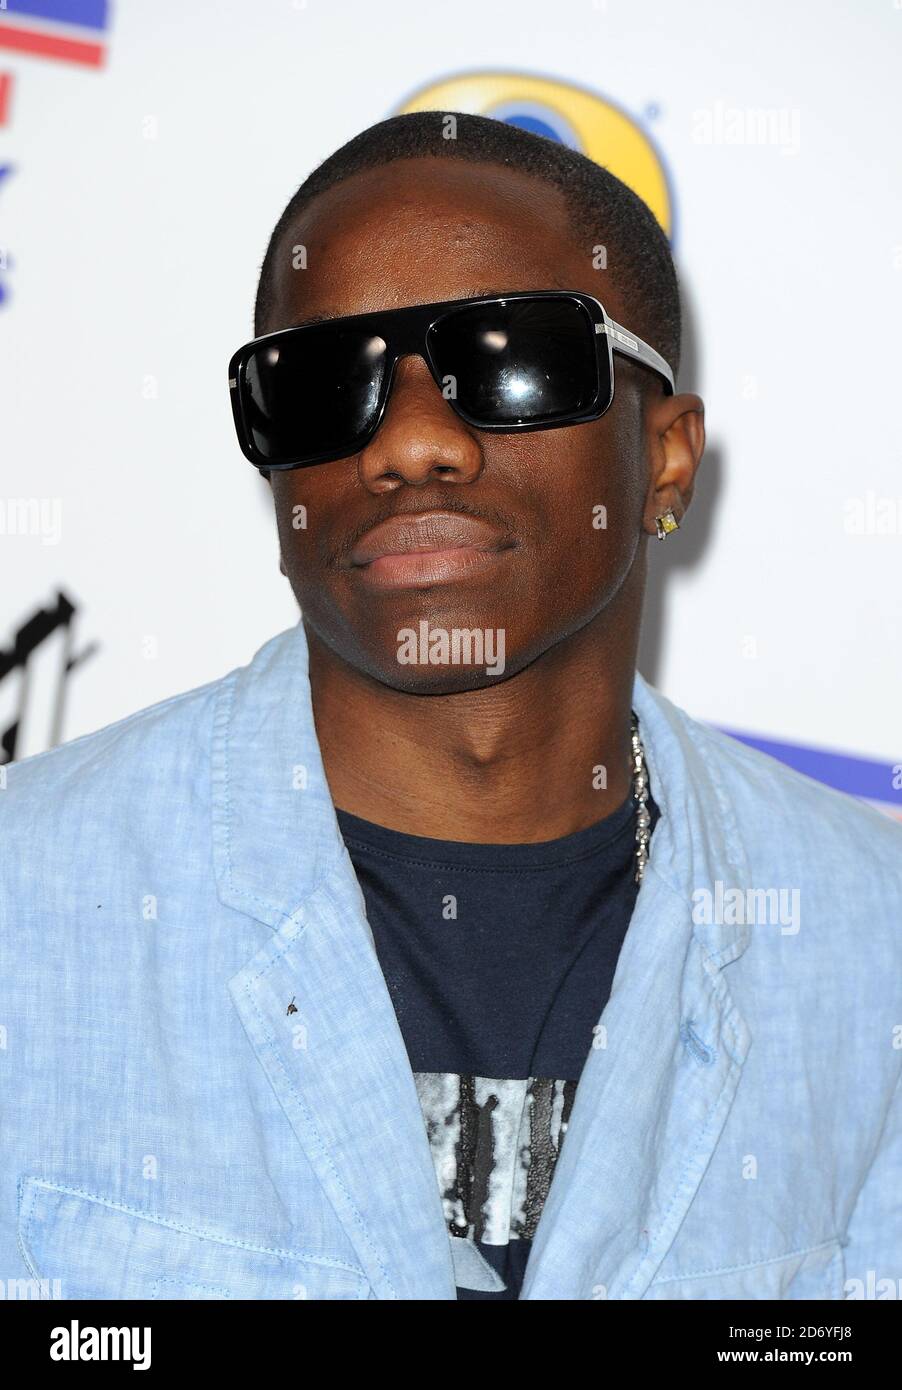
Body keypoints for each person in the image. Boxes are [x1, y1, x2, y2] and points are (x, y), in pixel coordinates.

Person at [1, 112, 899, 1302]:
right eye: (325, 384)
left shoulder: (863, 939)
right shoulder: (29, 897)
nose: (411, 444)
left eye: (512, 356)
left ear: (667, 459)